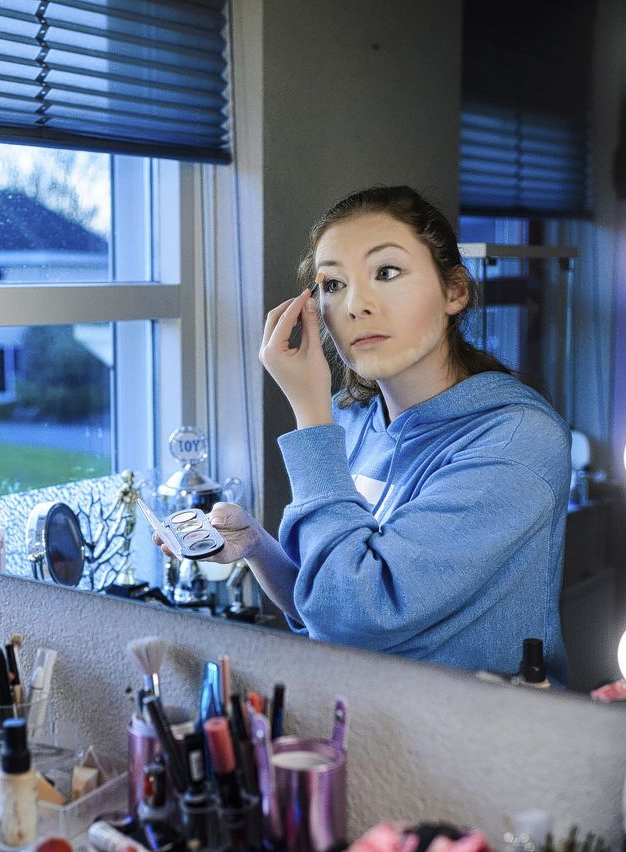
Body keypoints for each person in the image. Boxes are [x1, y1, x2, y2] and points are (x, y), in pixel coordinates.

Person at [167, 185, 571, 684]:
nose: (357, 304)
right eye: (333, 284)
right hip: (366, 725)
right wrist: (256, 547)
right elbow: (326, 599)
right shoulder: (352, 417)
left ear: (455, 291)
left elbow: (354, 614)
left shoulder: (515, 442)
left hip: (470, 741)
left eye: (386, 272)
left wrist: (310, 416)